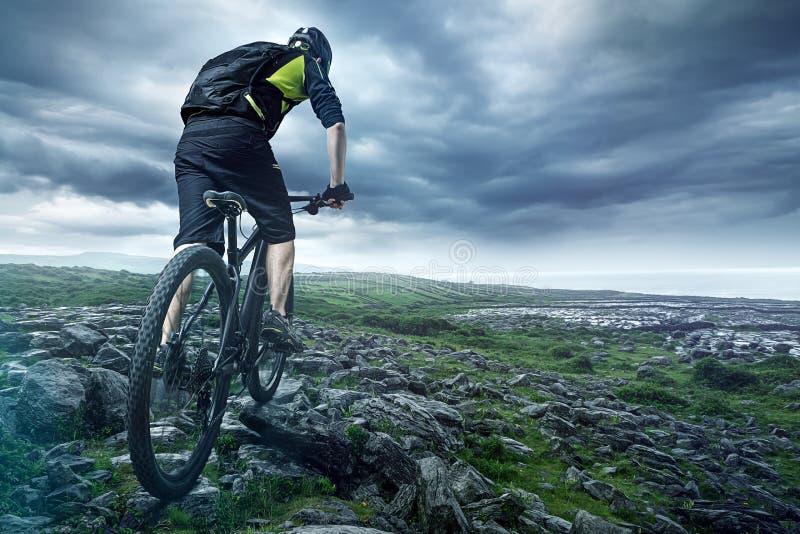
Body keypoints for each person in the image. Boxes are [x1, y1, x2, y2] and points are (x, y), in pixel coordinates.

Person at [162, 27, 349, 356]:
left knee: (192, 241)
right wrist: (337, 185)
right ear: (320, 58)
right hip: (241, 138)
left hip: (191, 142)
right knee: (280, 231)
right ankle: (278, 318)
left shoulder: (249, 56)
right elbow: (335, 125)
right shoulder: (307, 61)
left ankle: (163, 346)